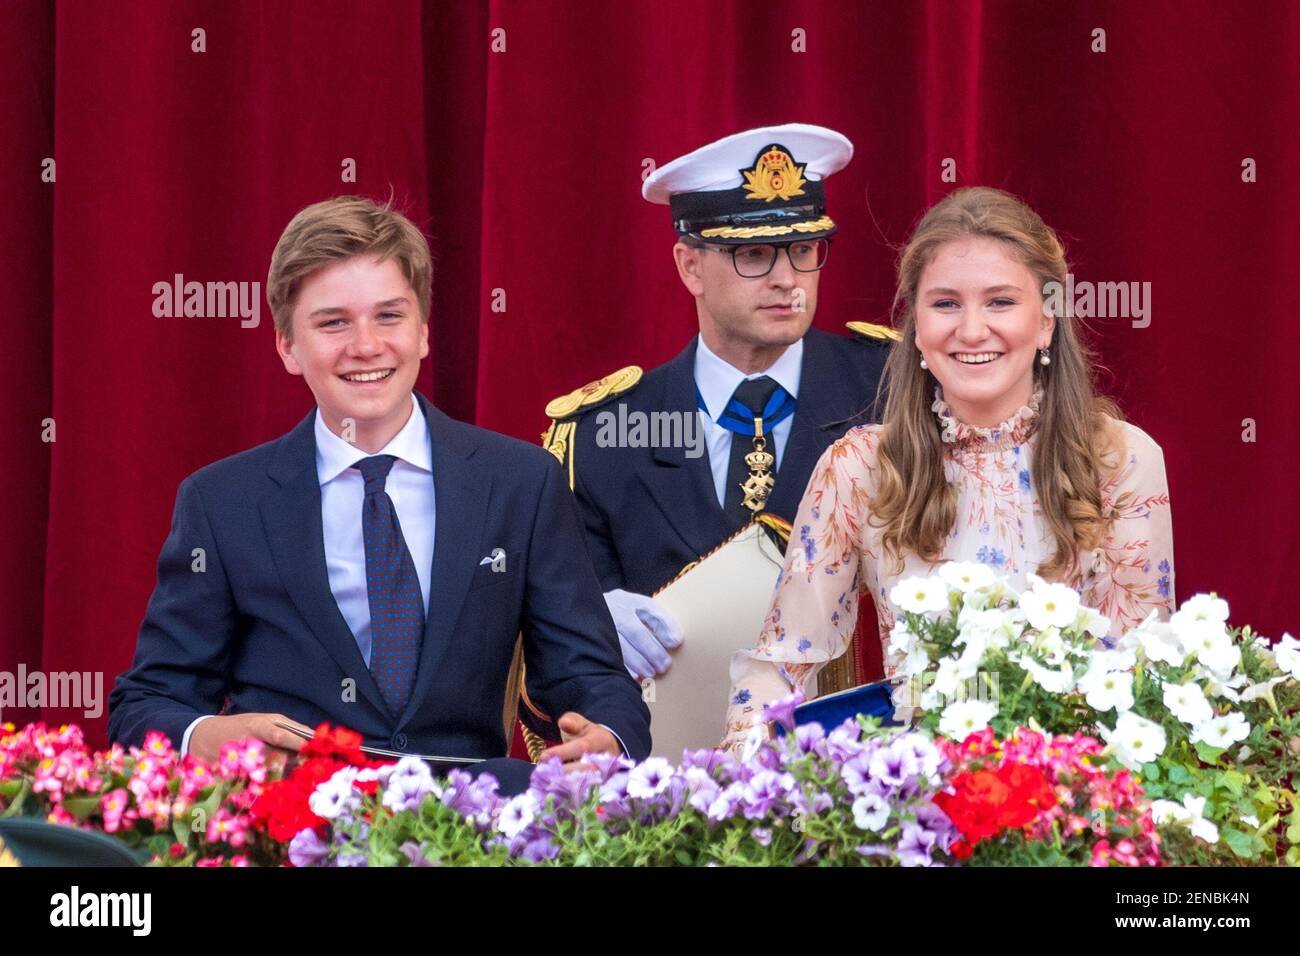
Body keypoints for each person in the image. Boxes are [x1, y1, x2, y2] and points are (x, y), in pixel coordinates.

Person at [108, 196, 650, 795]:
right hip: (292, 826)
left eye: (388, 316)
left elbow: (590, 676)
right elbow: (146, 704)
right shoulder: (221, 502)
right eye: (333, 322)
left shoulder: (520, 481)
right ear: (287, 345)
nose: (366, 346)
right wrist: (207, 736)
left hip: (474, 826)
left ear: (422, 332)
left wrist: (609, 737)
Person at [722, 186, 1175, 753]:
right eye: (946, 303)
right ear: (916, 324)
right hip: (908, 808)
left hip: (1068, 807)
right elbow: (780, 670)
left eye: (1001, 302)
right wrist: (742, 788)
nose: (971, 330)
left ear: (1047, 320)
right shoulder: (860, 465)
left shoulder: (1121, 459)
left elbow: (1139, 681)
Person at [542, 123, 898, 686]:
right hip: (680, 761)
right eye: (753, 254)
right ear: (689, 266)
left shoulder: (894, 391)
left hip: (867, 755)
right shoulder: (605, 433)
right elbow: (563, 677)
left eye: (803, 251)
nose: (788, 280)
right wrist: (588, 622)